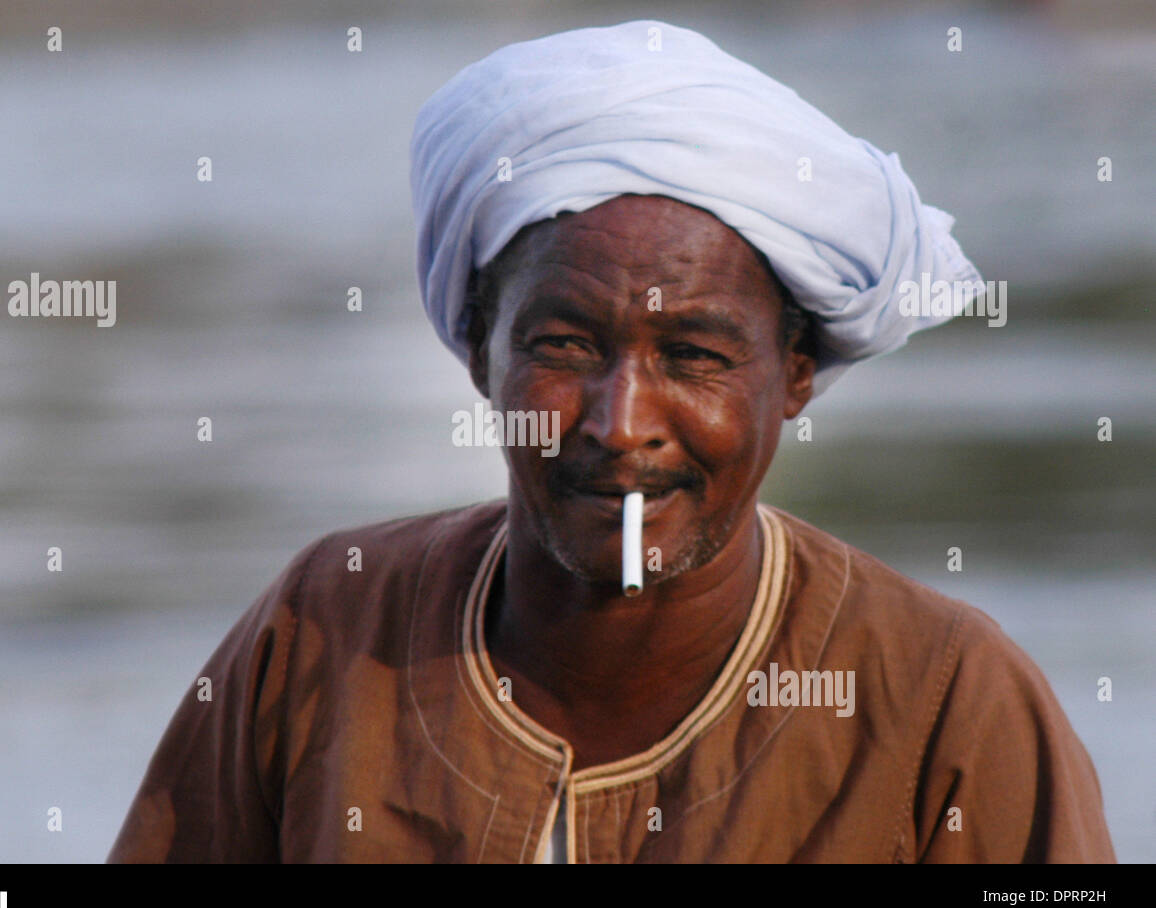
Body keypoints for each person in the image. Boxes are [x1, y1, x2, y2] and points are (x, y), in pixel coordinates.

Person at [107, 20, 1114, 863]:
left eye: (691, 355)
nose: (619, 423)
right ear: (478, 355)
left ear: (794, 373)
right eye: (563, 344)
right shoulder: (329, 625)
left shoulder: (944, 699)